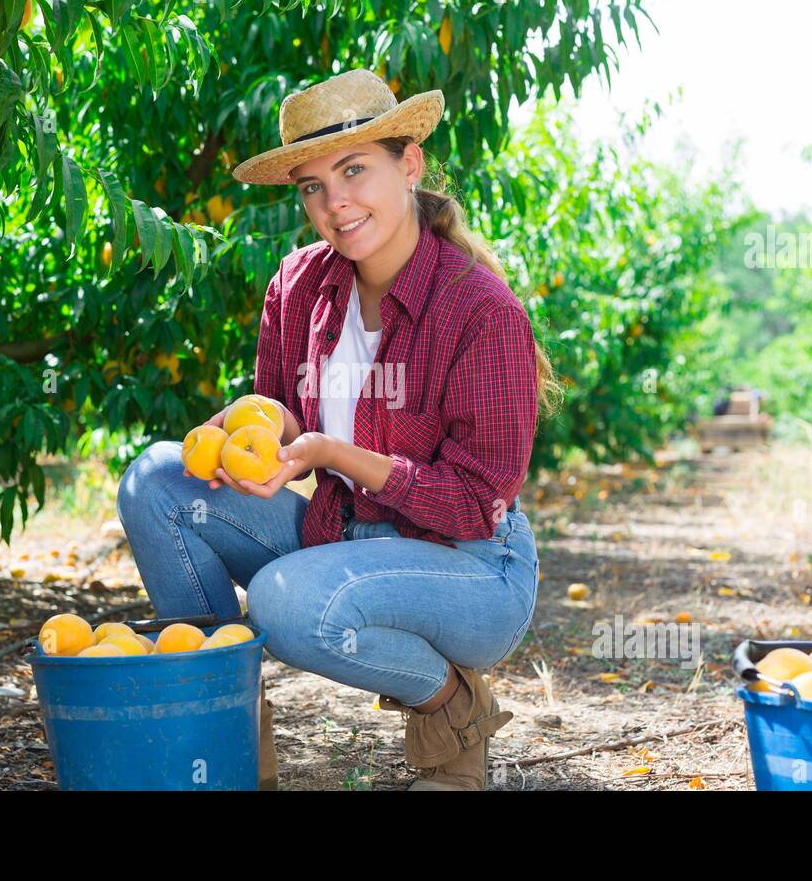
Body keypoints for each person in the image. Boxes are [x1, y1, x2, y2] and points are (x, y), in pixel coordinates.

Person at [117, 69, 562, 790]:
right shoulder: (298, 284)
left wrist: (335, 455)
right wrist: (252, 425)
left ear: (408, 162)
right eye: (312, 185)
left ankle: (453, 715)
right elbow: (285, 412)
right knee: (157, 483)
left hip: (471, 566)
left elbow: (476, 501)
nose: (334, 203)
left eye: (355, 170)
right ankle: (223, 733)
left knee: (285, 601)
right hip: (342, 532)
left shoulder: (480, 309)